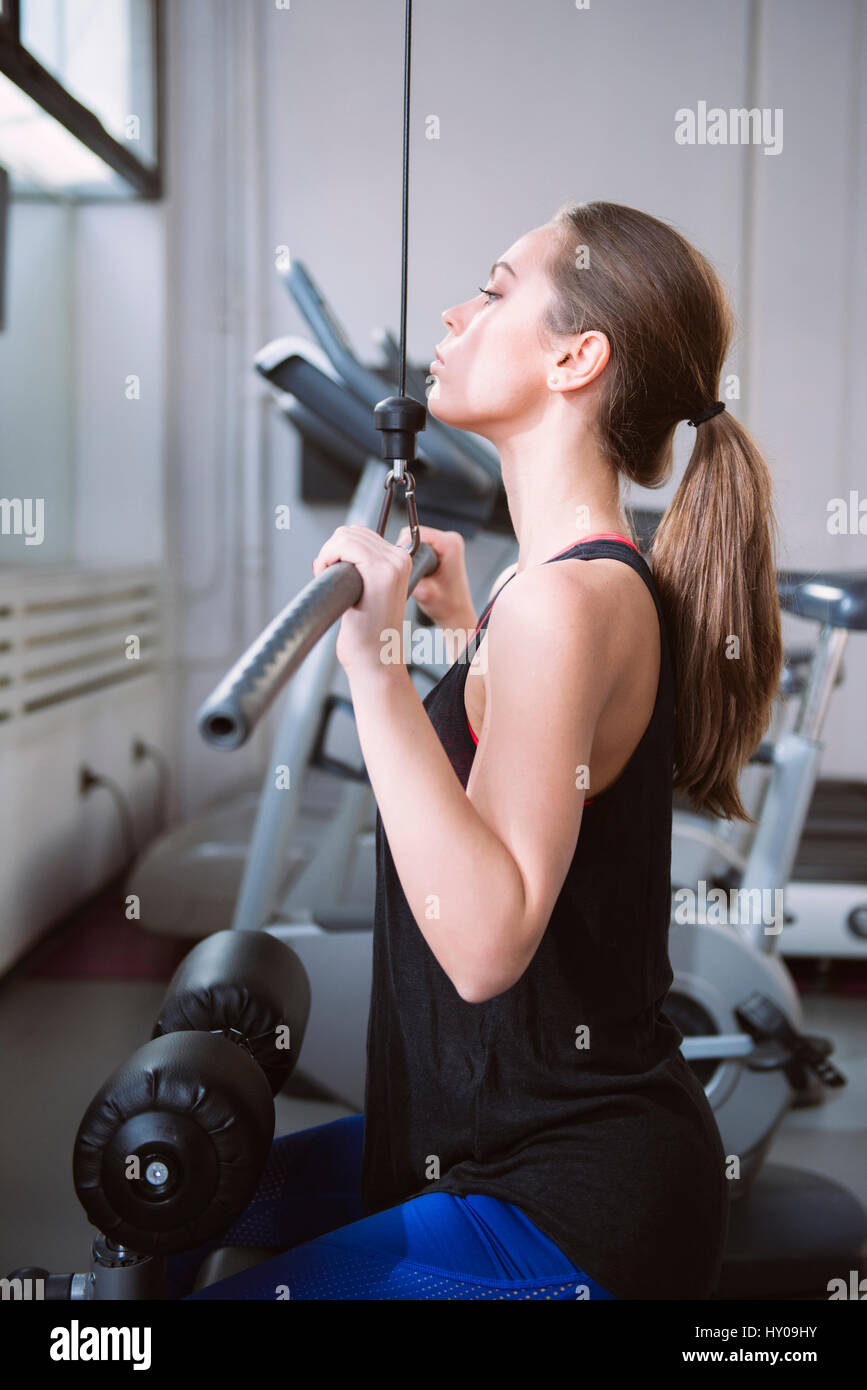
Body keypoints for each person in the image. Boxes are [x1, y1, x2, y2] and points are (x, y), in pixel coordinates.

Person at [171, 200, 783, 1301]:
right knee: (169, 1188)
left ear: (576, 356)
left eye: (497, 290)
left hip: (561, 1204)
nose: (455, 312)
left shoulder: (561, 600)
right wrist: (458, 638)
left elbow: (487, 939)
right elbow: (534, 769)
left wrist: (373, 669)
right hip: (473, 1142)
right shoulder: (547, 589)